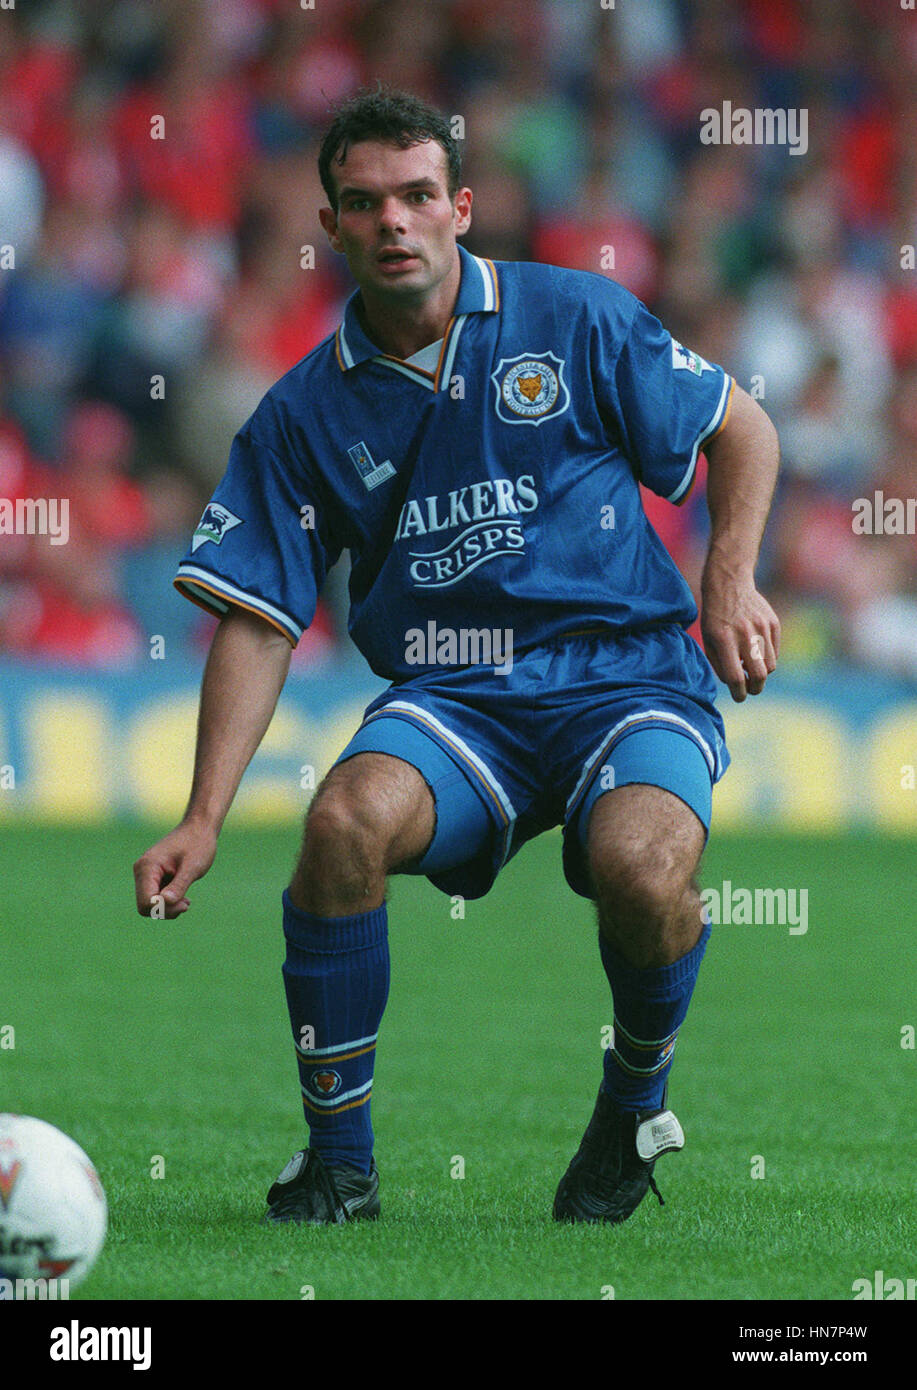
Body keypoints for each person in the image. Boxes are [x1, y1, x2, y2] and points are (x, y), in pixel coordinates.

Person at [133, 88, 780, 1227]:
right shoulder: (299, 415)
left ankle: (631, 1105)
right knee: (339, 825)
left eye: (417, 196)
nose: (394, 222)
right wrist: (203, 815)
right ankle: (340, 1165)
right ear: (330, 227)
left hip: (625, 673)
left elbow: (742, 425)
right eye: (364, 203)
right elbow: (256, 617)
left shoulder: (574, 316)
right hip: (452, 695)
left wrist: (726, 579)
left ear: (460, 207)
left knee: (642, 870)